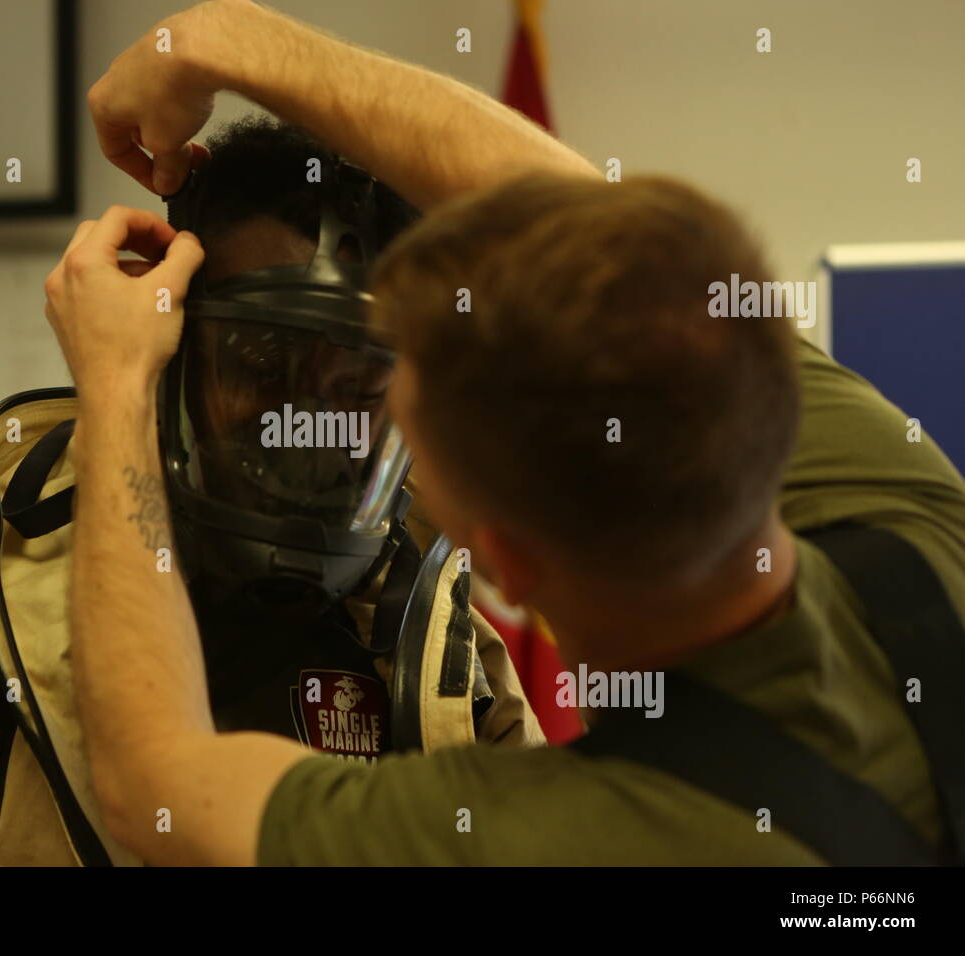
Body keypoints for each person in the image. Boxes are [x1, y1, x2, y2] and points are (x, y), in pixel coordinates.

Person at [53, 0, 965, 865]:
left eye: (376, 399)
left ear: (504, 567)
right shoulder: (917, 523)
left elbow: (154, 779)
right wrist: (227, 36)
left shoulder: (561, 837)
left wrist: (116, 378)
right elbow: (595, 238)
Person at [0, 115, 538, 867]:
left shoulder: (452, 672)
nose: (305, 430)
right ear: (169, 353)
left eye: (357, 387)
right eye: (262, 367)